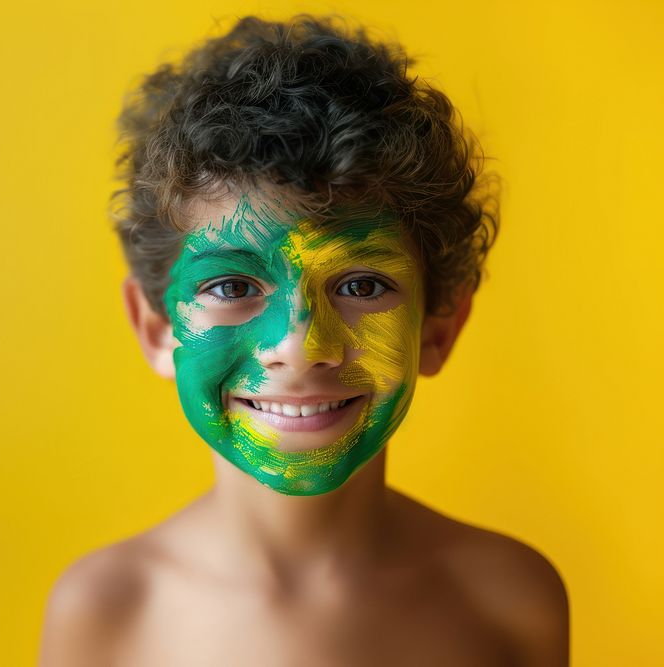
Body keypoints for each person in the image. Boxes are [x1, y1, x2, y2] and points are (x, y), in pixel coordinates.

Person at [40, 15, 568, 666]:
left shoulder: (509, 601)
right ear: (156, 327)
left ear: (438, 327)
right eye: (232, 287)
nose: (300, 344)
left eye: (362, 285)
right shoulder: (106, 611)